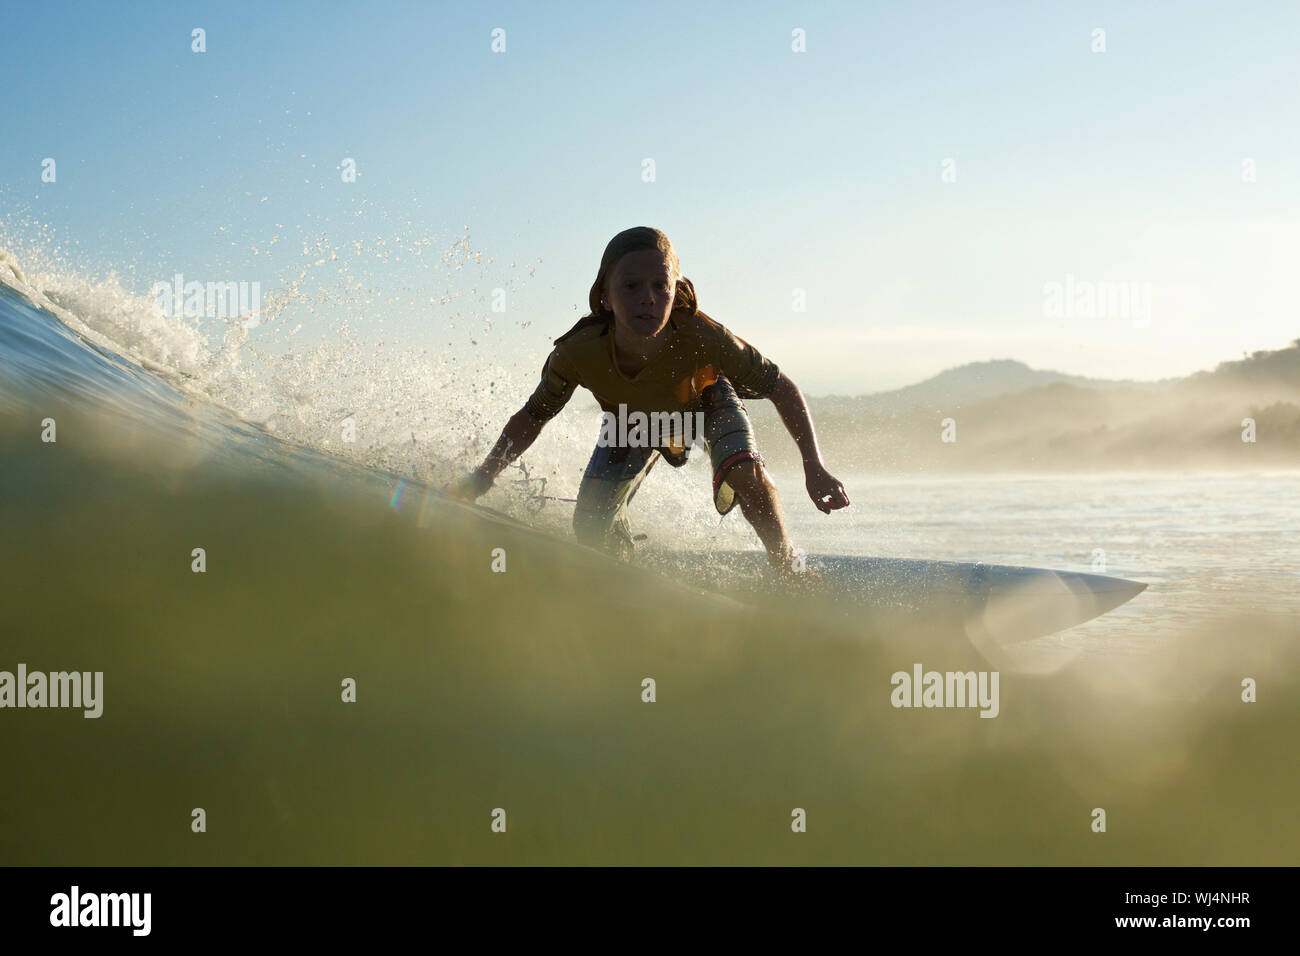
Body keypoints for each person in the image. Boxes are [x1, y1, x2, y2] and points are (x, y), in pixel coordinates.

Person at [447, 226, 849, 573]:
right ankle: (625, 567)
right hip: (633, 422)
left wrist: (815, 467)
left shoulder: (703, 336)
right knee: (589, 529)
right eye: (631, 286)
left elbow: (782, 388)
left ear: (678, 292)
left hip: (706, 404)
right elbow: (533, 416)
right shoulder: (577, 353)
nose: (648, 298)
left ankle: (785, 563)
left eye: (661, 286)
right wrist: (484, 474)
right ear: (604, 295)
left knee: (743, 471)